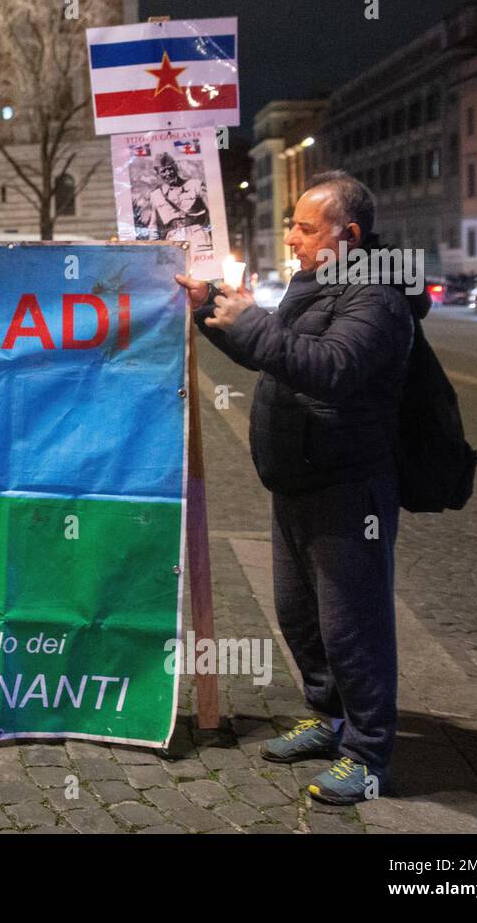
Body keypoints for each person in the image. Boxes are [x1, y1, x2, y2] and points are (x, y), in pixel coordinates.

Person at [175, 170, 418, 806]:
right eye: (293, 225)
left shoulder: (376, 297)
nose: (291, 238)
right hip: (296, 482)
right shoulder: (317, 287)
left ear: (349, 235)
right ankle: (329, 718)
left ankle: (368, 753)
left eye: (306, 229)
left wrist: (252, 321)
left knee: (352, 627)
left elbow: (330, 369)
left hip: (347, 489)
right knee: (301, 619)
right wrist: (208, 308)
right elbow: (271, 354)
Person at [147, 152, 210, 246]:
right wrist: (153, 246)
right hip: (173, 238)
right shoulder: (155, 195)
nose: (168, 173)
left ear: (176, 167)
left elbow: (213, 211)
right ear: (158, 174)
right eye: (163, 171)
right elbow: (153, 225)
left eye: (170, 169)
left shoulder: (196, 185)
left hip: (197, 235)